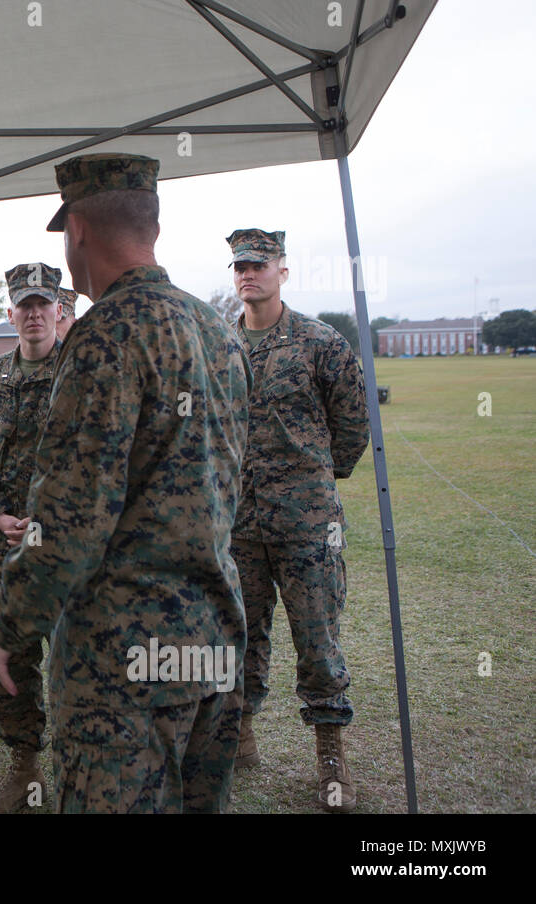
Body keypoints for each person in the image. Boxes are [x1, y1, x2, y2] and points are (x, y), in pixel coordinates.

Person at [0, 154, 251, 813]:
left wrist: (11, 623)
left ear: (76, 230)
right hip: (213, 635)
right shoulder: (218, 328)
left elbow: (72, 518)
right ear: (151, 227)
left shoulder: (105, 335)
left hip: (125, 655)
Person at [225, 228, 370, 812]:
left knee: (316, 638)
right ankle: (239, 732)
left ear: (282, 270)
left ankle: (330, 755)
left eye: (259, 264)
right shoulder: (219, 346)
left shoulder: (319, 342)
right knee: (237, 634)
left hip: (306, 524)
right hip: (238, 521)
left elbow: (354, 427)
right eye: (239, 266)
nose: (247, 274)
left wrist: (311, 482)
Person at [0, 263, 64, 813]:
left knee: (74, 660)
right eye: (22, 304)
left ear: (58, 311)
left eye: (41, 304)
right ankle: (25, 770)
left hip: (69, 551)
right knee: (11, 660)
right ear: (10, 313)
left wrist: (53, 519)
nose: (32, 313)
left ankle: (80, 766)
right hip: (7, 548)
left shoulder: (81, 372)